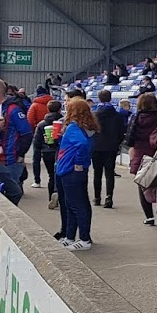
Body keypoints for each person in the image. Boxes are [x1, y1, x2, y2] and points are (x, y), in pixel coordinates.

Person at [56, 98, 98, 251]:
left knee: (76, 205)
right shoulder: (86, 127)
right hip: (75, 170)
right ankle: (70, 236)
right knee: (74, 203)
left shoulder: (74, 127)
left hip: (70, 169)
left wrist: (78, 163)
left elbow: (82, 144)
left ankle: (84, 239)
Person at [126, 93, 157, 227]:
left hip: (140, 152)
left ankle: (149, 216)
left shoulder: (136, 117)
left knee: (142, 183)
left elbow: (129, 138)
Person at [90, 89, 124, 208]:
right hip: (111, 147)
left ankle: (97, 197)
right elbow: (121, 132)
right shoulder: (117, 115)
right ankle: (109, 197)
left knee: (97, 173)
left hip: (96, 147)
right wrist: (116, 143)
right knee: (109, 173)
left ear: (99, 99)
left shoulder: (94, 114)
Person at [33, 102, 63, 210]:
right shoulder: (63, 123)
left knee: (51, 175)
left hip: (46, 152)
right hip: (60, 151)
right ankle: (59, 194)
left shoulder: (41, 124)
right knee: (60, 175)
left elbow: (36, 142)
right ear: (60, 109)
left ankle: (51, 196)